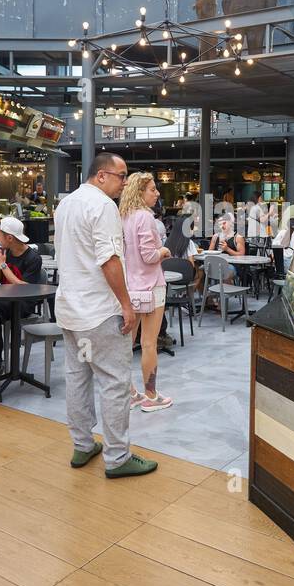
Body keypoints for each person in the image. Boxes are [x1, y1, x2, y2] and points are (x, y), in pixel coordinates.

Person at [54, 152, 158, 478]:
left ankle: (83, 445)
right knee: (114, 383)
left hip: (70, 309)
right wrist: (127, 305)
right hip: (99, 312)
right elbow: (109, 260)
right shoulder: (103, 206)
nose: (124, 182)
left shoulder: (67, 204)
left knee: (78, 378)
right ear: (101, 175)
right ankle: (117, 457)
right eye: (121, 175)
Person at [120, 173, 173, 413]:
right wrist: (164, 250)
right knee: (149, 343)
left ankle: (130, 393)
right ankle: (151, 396)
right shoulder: (145, 217)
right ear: (140, 192)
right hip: (152, 286)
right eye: (153, 189)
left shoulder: (123, 217)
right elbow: (150, 256)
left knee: (126, 345)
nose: (157, 193)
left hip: (130, 287)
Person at [0, 216, 45, 346]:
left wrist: (3, 265)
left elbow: (25, 288)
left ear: (10, 238)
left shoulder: (33, 258)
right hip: (4, 299)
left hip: (23, 302)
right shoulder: (6, 252)